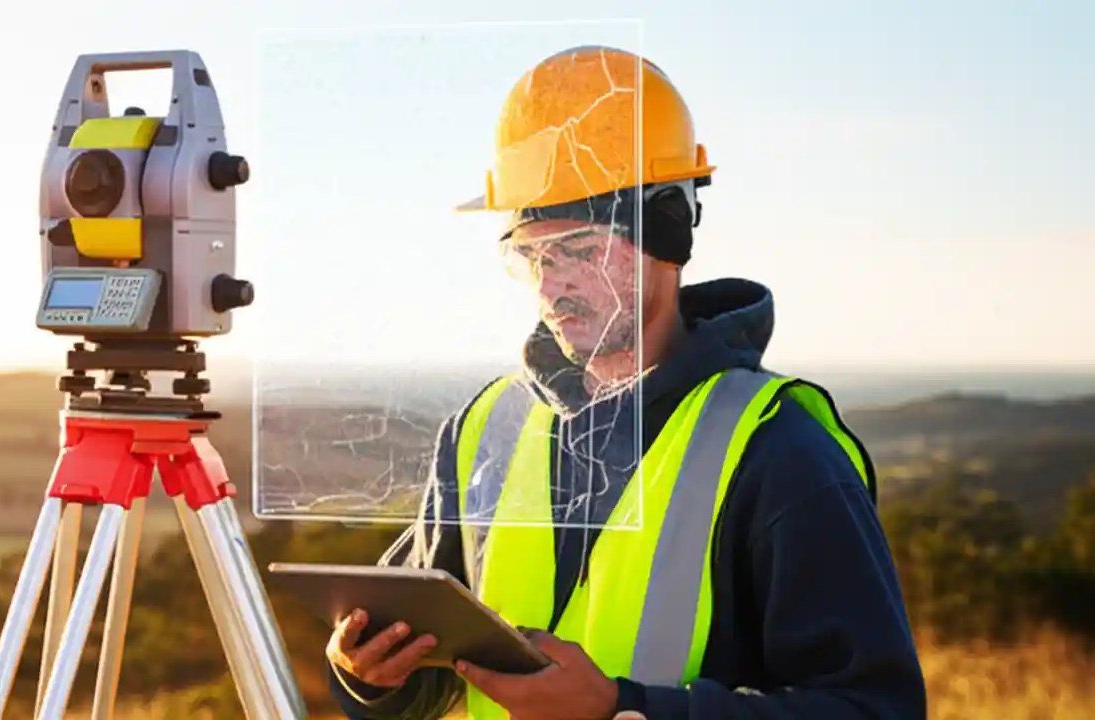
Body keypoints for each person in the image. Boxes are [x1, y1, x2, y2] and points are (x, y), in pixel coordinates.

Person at [324, 45, 927, 719]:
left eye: (579, 250)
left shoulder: (781, 453)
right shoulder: (483, 432)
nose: (551, 285)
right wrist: (373, 676)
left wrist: (624, 710)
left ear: (668, 230)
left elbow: (875, 709)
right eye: (531, 256)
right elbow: (434, 673)